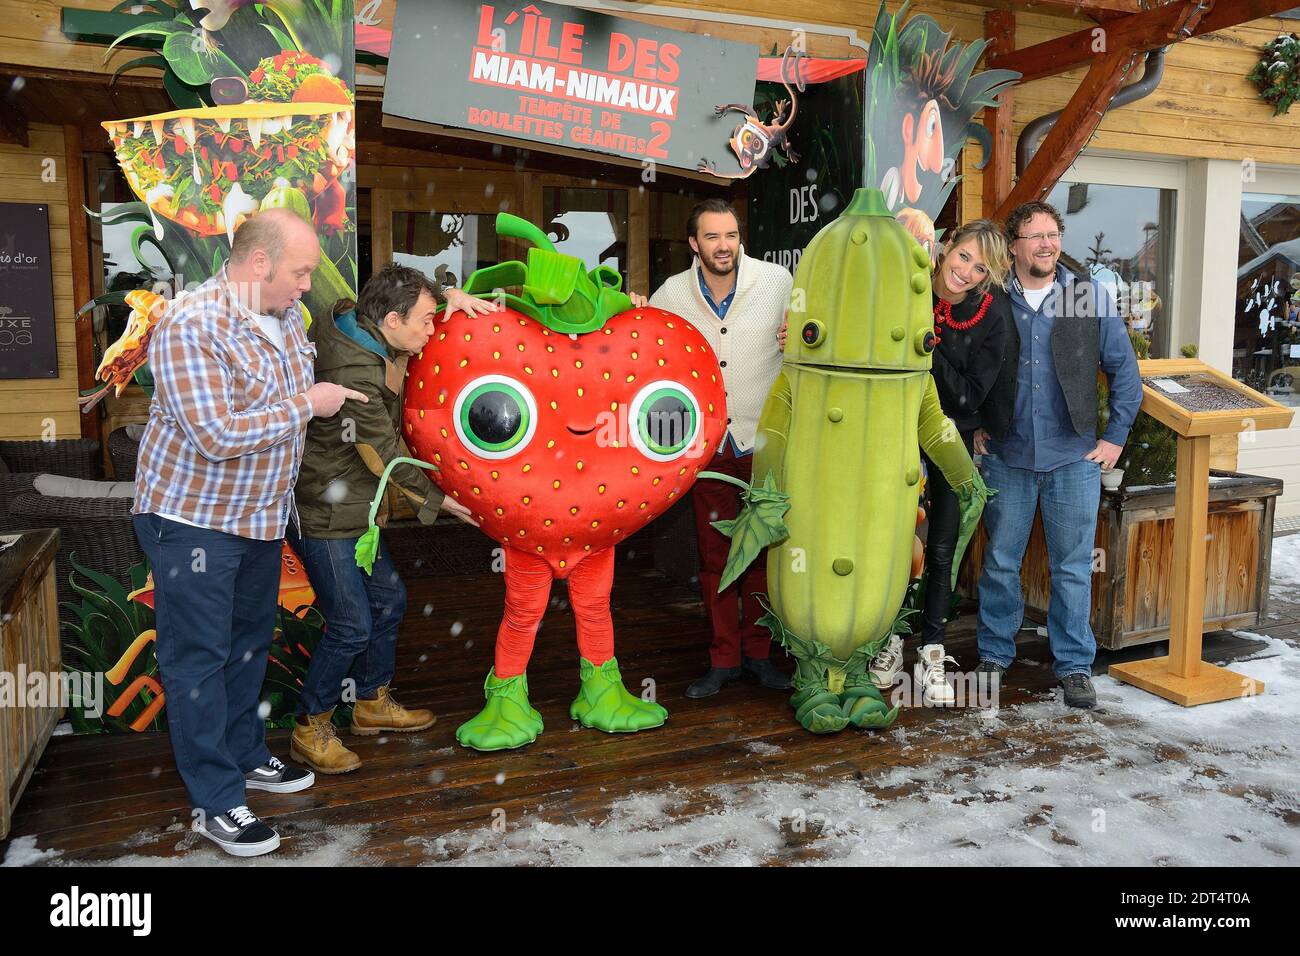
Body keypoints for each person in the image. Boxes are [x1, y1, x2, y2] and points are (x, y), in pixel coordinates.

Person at [132, 208, 369, 857]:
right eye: (300, 272)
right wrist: (307, 404)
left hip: (261, 516)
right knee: (199, 661)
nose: (306, 286)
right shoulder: (191, 323)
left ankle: (242, 753)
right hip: (194, 519)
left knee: (244, 647)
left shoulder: (284, 314)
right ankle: (216, 800)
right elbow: (215, 436)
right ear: (258, 263)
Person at [288, 265, 494, 774]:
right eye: (426, 321)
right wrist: (441, 502)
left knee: (389, 600)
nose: (433, 329)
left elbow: (395, 287)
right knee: (351, 624)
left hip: (357, 510)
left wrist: (446, 295)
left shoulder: (359, 322)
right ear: (394, 320)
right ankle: (309, 724)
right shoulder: (352, 372)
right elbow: (379, 452)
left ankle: (371, 702)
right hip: (328, 513)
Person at [973, 201, 1143, 708]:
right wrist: (976, 425)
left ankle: (1073, 666)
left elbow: (1124, 371)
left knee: (1072, 567)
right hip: (1008, 454)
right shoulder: (992, 296)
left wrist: (1114, 437)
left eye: (1053, 234)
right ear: (1015, 245)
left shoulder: (1087, 298)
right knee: (1001, 562)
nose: (1047, 244)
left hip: (1074, 458)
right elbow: (965, 363)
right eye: (1035, 236)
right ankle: (993, 656)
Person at [865, 220, 1015, 705]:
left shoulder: (992, 317)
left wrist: (929, 345)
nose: (967, 271)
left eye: (981, 268)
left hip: (951, 443)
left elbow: (970, 394)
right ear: (947, 247)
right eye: (964, 256)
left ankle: (931, 651)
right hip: (890, 440)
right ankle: (888, 643)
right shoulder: (904, 286)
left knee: (942, 550)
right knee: (894, 547)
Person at [649, 198, 794, 698]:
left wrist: (799, 335)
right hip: (707, 446)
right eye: (712, 237)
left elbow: (813, 337)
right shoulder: (670, 295)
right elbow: (649, 357)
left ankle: (759, 654)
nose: (723, 246)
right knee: (714, 558)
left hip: (764, 441)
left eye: (730, 235)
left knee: (759, 555)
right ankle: (722, 658)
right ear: (694, 244)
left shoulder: (777, 283)